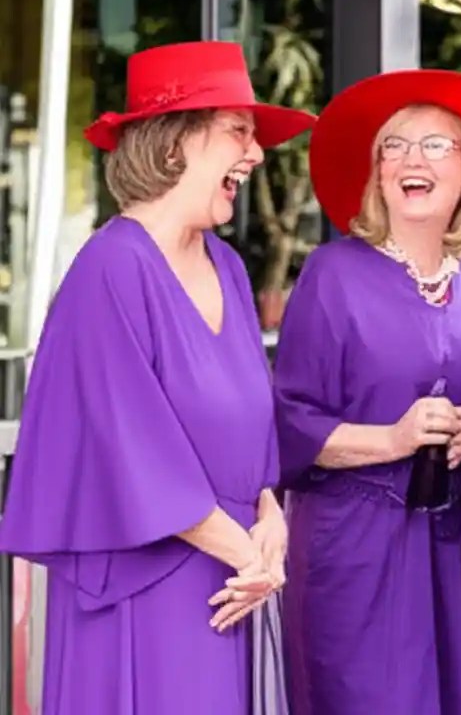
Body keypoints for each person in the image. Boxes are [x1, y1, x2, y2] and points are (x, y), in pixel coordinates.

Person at [0, 41, 315, 714]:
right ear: (174, 144)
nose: (256, 154)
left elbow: (247, 428)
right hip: (148, 586)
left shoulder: (228, 267)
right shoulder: (110, 270)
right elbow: (132, 453)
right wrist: (249, 555)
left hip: (230, 576)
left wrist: (270, 518)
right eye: (238, 131)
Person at [272, 70, 461, 715]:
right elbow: (287, 422)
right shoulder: (333, 273)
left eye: (434, 145)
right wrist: (391, 439)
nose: (410, 159)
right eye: (393, 146)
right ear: (378, 175)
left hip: (455, 546)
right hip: (354, 548)